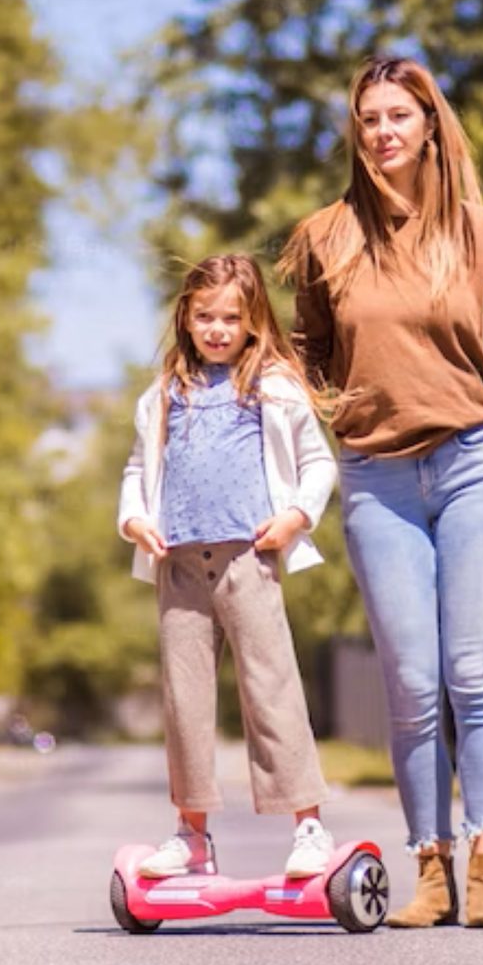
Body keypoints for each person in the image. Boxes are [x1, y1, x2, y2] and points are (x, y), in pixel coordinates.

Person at [278, 55, 483, 929]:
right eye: (367, 118)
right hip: (378, 481)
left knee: (472, 673)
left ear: (429, 124)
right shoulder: (325, 237)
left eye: (397, 116)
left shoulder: (482, 233)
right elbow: (305, 357)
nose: (381, 131)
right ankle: (431, 866)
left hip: (475, 463)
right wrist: (323, 431)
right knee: (411, 683)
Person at [117, 253, 340, 882]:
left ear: (252, 322)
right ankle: (191, 835)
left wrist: (297, 516)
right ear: (185, 317)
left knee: (271, 688)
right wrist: (135, 520)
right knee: (185, 700)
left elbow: (318, 463)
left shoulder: (273, 386)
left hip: (249, 557)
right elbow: (137, 471)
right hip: (180, 565)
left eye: (230, 318)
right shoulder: (163, 395)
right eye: (204, 316)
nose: (216, 329)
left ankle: (309, 825)